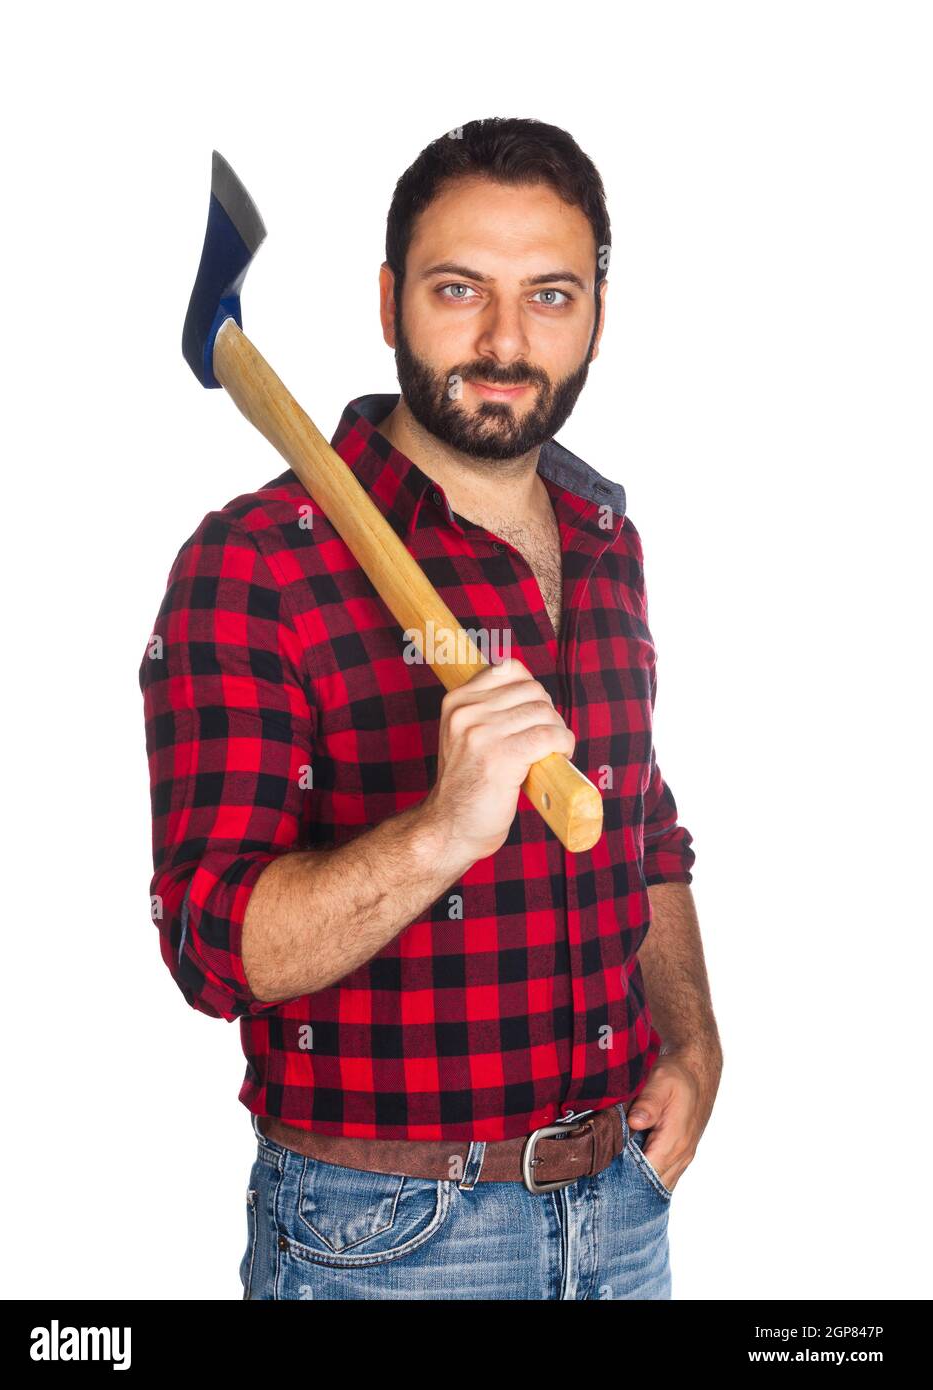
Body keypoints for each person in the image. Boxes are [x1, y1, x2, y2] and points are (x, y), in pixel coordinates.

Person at [139, 116, 722, 1301]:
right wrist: (443, 826)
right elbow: (211, 941)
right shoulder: (255, 561)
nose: (505, 340)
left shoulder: (605, 537)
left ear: (597, 313)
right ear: (389, 297)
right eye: (459, 289)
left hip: (621, 1209)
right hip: (389, 1236)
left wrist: (692, 1039)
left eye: (549, 295)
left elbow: (636, 818)